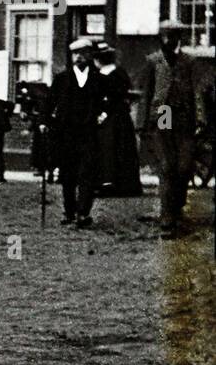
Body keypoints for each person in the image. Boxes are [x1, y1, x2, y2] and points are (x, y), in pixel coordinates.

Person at [139, 18, 204, 237]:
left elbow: (197, 92)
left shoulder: (189, 61)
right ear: (160, 37)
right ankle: (167, 219)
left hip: (184, 117)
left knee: (184, 167)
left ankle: (176, 208)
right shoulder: (153, 61)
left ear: (179, 38)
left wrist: (201, 120)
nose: (169, 39)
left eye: (174, 35)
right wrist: (142, 124)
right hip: (163, 114)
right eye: (166, 35)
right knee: (167, 166)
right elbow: (146, 94)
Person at [50, 36, 108, 229]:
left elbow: (111, 102)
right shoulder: (61, 79)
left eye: (83, 53)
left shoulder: (99, 80)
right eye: (75, 53)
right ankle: (69, 211)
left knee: (87, 174)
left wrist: (104, 114)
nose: (79, 57)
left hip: (89, 134)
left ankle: (83, 213)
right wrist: (43, 121)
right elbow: (49, 103)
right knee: (68, 175)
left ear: (90, 55)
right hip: (67, 134)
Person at [92, 43, 142, 197]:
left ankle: (109, 184)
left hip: (111, 118)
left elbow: (111, 98)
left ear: (98, 60)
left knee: (109, 150)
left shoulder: (105, 76)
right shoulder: (120, 73)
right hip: (121, 118)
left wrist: (103, 113)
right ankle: (125, 185)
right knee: (121, 150)